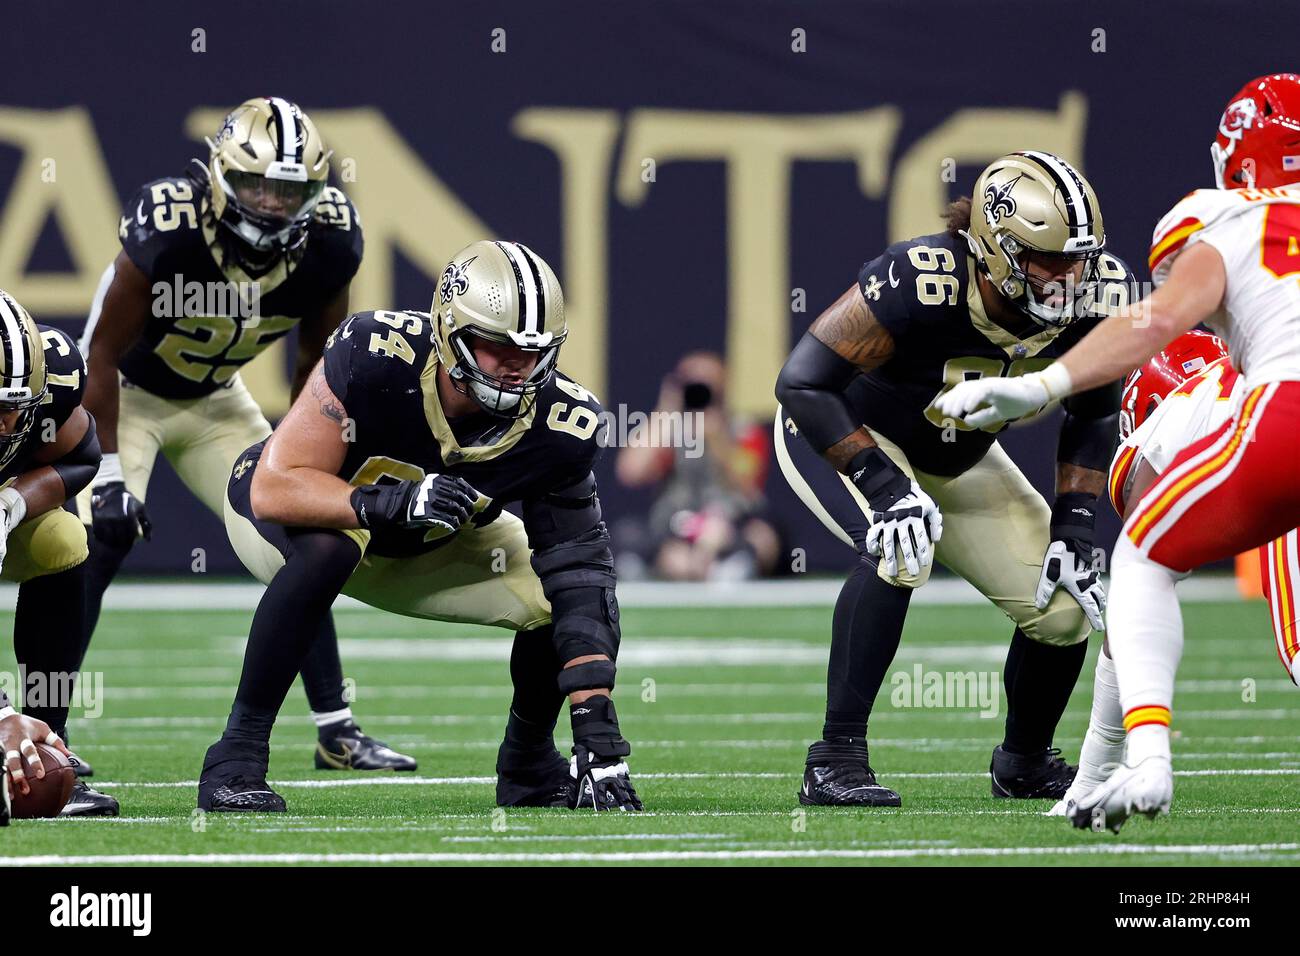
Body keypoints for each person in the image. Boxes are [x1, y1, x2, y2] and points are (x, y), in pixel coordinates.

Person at [937, 74, 1300, 832]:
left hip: (1281, 419)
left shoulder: (1226, 222)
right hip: (1255, 417)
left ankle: (1149, 759)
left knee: (1142, 562)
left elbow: (1156, 321)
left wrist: (1040, 388)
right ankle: (1122, 766)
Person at [199, 240, 640, 813]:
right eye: (495, 347)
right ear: (450, 334)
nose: (515, 367)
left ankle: (530, 766)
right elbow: (276, 485)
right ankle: (237, 755)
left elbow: (580, 572)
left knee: (554, 597)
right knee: (329, 551)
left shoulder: (562, 425)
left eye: (531, 353)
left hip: (427, 544)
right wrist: (388, 503)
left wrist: (597, 729)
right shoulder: (374, 355)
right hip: (296, 525)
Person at [775, 151, 1135, 806]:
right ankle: (834, 759)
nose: (1067, 278)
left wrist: (1077, 523)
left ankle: (1024, 761)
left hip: (956, 454)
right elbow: (803, 384)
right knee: (900, 548)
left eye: (1077, 259)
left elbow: (1095, 407)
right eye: (1048, 261)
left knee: (1061, 607)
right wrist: (885, 489)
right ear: (997, 251)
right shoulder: (923, 278)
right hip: (849, 434)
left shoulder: (1101, 293)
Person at [78, 97, 414, 798]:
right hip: (128, 395)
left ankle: (336, 729)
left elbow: (321, 360)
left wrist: (309, 460)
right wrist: (108, 471)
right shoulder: (168, 227)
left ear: (314, 191)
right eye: (257, 184)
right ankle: (48, 730)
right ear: (221, 176)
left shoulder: (329, 240)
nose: (269, 203)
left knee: (307, 530)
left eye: (288, 190)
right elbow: (99, 353)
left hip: (216, 403)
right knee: (96, 536)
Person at [0, 291, 105, 815]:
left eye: (13, 407)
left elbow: (85, 455)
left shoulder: (55, 381)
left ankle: (48, 736)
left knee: (62, 539)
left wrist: (13, 504)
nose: (4, 425)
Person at [615, 351, 780, 580]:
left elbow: (748, 484)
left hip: (729, 524)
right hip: (675, 524)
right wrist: (665, 412)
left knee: (762, 537)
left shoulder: (744, 431)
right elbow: (631, 472)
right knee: (628, 534)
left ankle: (728, 565)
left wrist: (717, 439)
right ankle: (670, 565)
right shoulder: (668, 431)